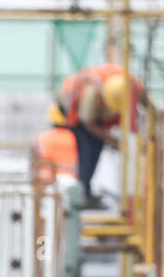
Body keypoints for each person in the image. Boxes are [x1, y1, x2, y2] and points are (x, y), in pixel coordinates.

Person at [47, 63, 143, 198]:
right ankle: (83, 192)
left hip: (88, 110)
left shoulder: (132, 85)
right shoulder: (90, 94)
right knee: (89, 146)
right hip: (73, 111)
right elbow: (88, 123)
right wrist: (110, 139)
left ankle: (85, 190)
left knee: (96, 144)